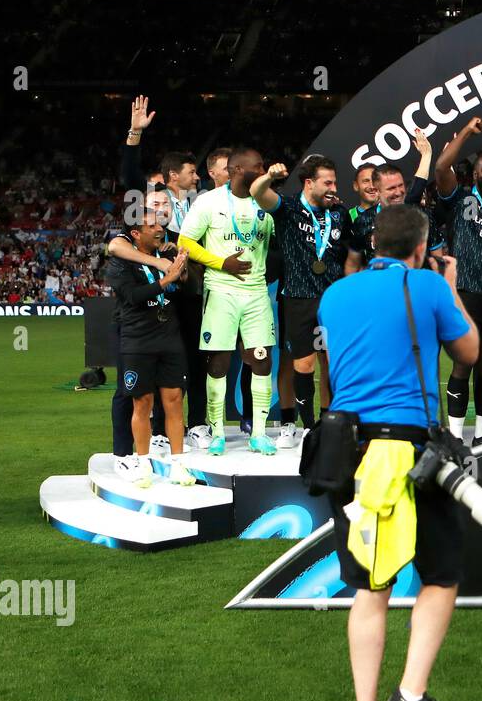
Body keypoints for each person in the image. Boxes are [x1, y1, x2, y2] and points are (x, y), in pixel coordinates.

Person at [316, 204, 479, 701]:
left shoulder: (336, 294)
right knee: (442, 573)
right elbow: (469, 352)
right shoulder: (429, 285)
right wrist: (449, 286)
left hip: (351, 452)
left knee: (369, 586)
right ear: (419, 247)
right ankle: (410, 694)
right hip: (411, 451)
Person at [251, 154, 367, 446]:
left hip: (331, 300)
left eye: (335, 182)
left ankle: (328, 422)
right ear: (308, 183)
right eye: (327, 182)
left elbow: (352, 253)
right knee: (302, 365)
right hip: (298, 299)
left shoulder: (339, 213)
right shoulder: (287, 207)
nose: (333, 187)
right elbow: (257, 193)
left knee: (331, 363)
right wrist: (269, 176)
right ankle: (305, 427)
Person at [177, 147, 275, 455]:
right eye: (256, 167)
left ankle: (259, 433)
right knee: (218, 363)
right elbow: (185, 242)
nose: (262, 171)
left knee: (261, 360)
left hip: (257, 292)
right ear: (235, 172)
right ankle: (216, 431)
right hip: (220, 291)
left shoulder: (267, 202)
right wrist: (221, 263)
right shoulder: (209, 202)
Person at [104, 210, 197, 488]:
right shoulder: (121, 264)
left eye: (159, 223)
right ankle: (143, 463)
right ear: (135, 233)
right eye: (152, 225)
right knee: (142, 403)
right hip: (137, 340)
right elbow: (132, 296)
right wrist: (165, 281)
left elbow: (186, 289)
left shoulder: (166, 257)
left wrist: (182, 271)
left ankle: (178, 465)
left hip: (169, 337)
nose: (159, 229)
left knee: (173, 401)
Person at [433, 117, 482, 444]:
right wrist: (465, 134)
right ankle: (453, 436)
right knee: (464, 364)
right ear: (475, 174)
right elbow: (440, 168)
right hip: (466, 294)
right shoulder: (461, 200)